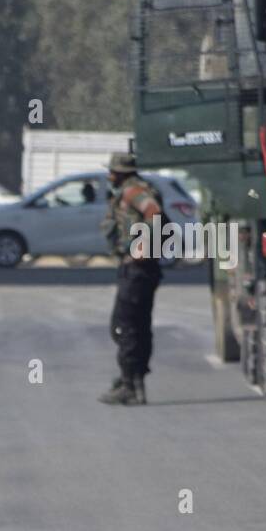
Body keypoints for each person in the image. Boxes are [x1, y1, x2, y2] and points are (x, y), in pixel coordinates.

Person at [98, 152, 164, 405]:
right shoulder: (132, 190)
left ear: (121, 173)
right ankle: (134, 379)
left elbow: (153, 212)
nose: (109, 176)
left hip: (137, 270)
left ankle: (130, 383)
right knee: (138, 326)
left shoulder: (132, 191)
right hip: (144, 270)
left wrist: (141, 246)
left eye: (112, 171)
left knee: (123, 326)